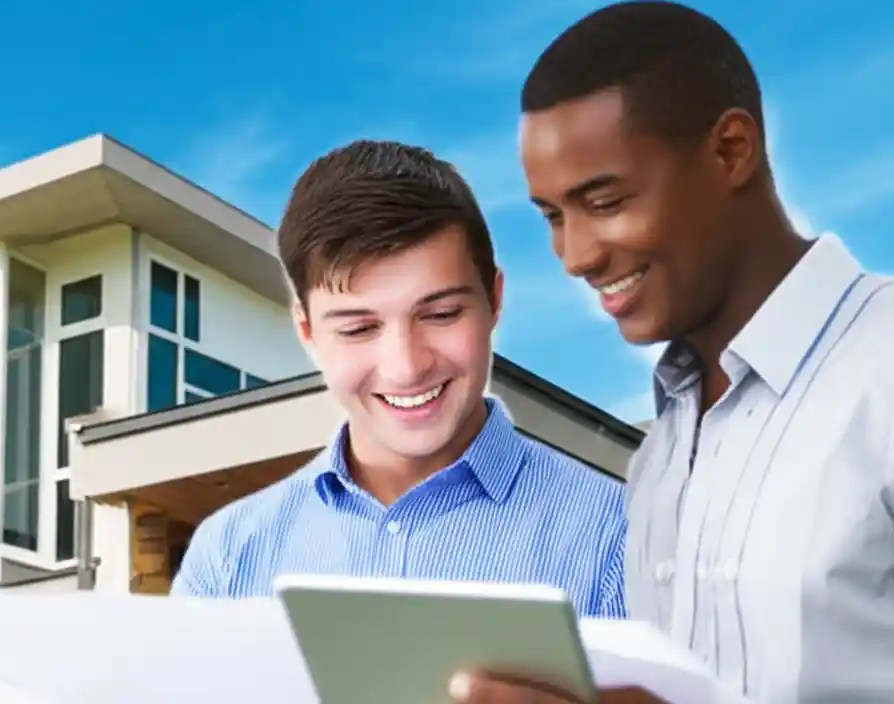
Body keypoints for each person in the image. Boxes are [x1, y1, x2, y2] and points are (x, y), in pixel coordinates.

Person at [451, 0, 894, 704]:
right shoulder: (662, 456)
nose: (576, 255)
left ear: (731, 151)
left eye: (606, 201)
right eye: (554, 216)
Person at [170, 139, 629, 619]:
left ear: (494, 301)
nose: (406, 367)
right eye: (359, 328)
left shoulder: (619, 537)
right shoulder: (225, 559)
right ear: (306, 330)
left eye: (442, 314)